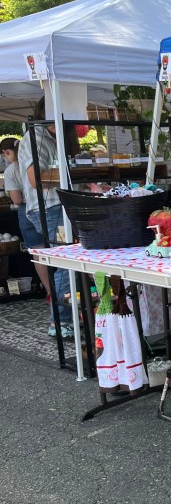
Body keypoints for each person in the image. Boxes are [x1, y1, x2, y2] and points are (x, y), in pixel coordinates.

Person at [18, 99, 73, 338]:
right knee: (64, 263)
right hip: (50, 208)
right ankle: (60, 322)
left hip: (58, 206)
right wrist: (74, 172)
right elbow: (34, 178)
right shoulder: (35, 138)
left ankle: (66, 318)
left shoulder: (54, 137)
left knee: (67, 262)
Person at [2, 137, 54, 301]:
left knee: (38, 253)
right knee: (57, 250)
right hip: (47, 206)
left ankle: (49, 292)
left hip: (26, 212)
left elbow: (16, 200)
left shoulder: (11, 171)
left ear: (6, 152)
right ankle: (66, 290)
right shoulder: (33, 164)